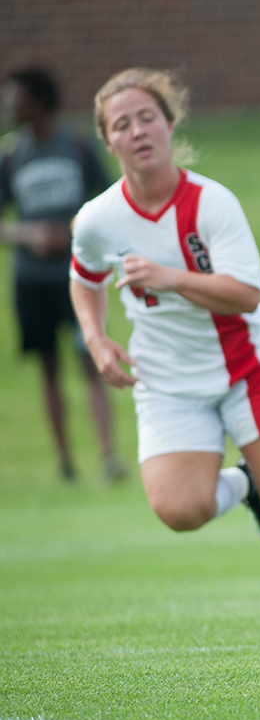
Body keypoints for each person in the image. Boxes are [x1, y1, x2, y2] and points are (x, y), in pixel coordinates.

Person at [69, 69, 260, 626]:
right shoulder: (98, 218)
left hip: (247, 367)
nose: (138, 132)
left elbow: (247, 295)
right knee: (181, 511)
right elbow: (84, 278)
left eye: (147, 117)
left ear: (171, 123)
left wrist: (169, 276)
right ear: (108, 141)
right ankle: (244, 485)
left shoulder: (211, 203)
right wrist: (96, 338)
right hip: (166, 379)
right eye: (122, 125)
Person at [1, 67, 122, 482]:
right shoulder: (11, 155)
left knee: (91, 361)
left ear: (37, 100)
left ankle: (109, 456)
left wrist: (69, 230)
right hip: (30, 280)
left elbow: (108, 200)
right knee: (48, 368)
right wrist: (28, 234)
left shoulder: (75, 145)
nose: (9, 105)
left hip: (76, 276)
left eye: (15, 96)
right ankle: (66, 463)